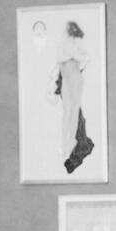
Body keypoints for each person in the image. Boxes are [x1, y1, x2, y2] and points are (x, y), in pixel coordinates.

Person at [48, 20, 94, 174]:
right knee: (68, 112)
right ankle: (66, 144)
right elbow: (60, 65)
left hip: (74, 80)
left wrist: (78, 64)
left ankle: (70, 144)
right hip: (68, 81)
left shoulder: (73, 45)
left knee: (73, 112)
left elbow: (85, 58)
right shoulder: (64, 45)